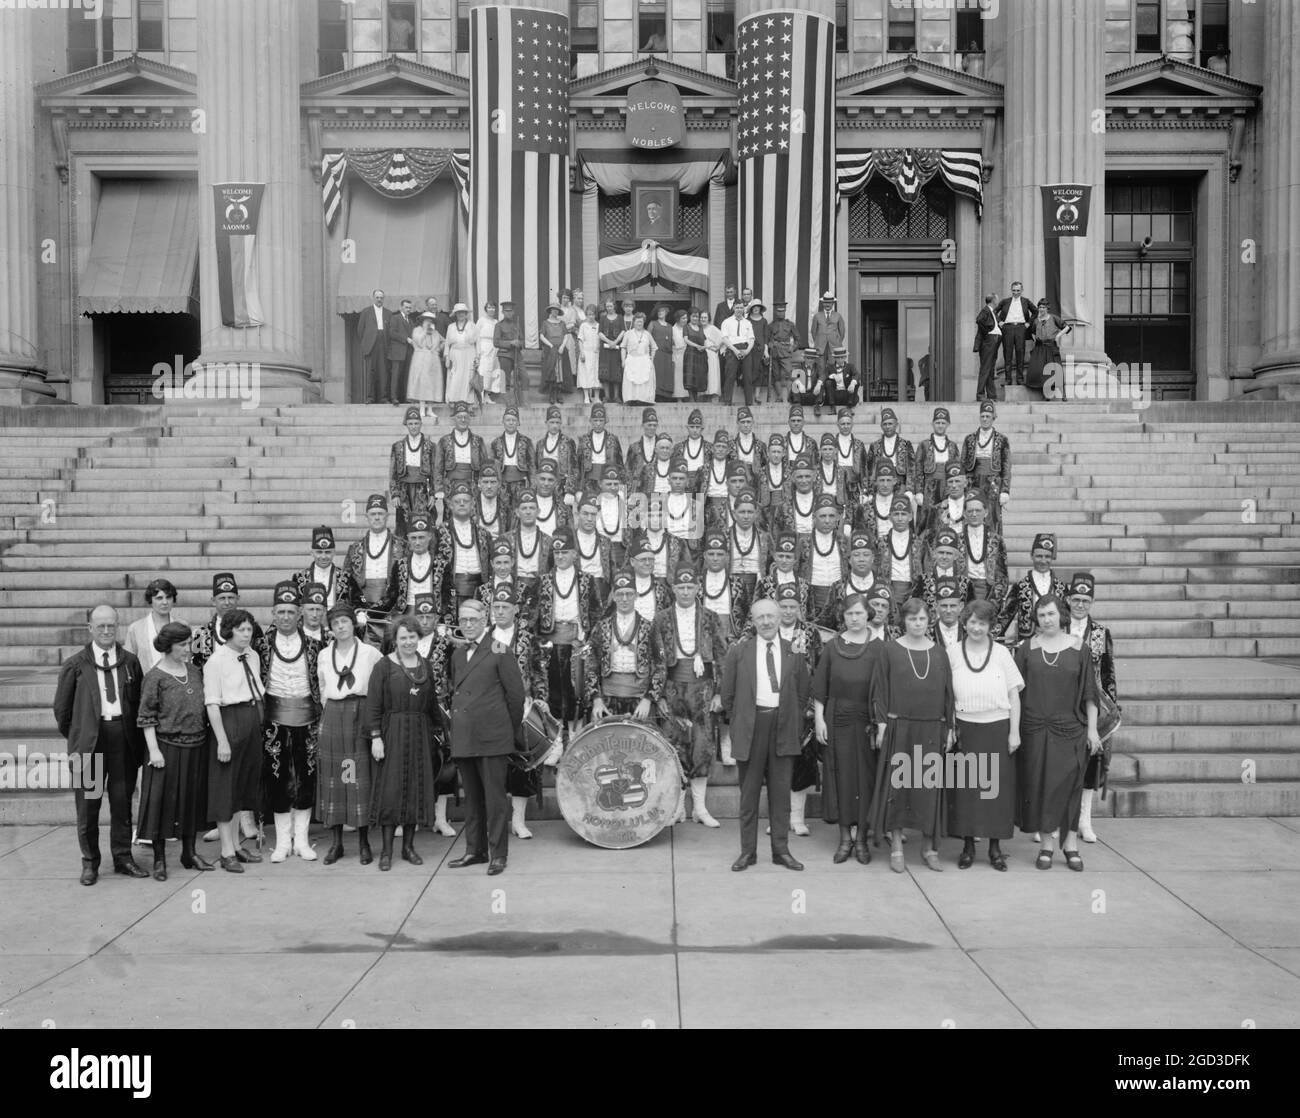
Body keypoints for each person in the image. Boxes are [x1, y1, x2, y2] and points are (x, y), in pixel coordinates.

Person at [53, 604, 149, 885]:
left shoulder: (130, 661)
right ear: (90, 629)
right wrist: (81, 736)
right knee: (89, 805)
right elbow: (62, 711)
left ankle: (122, 857)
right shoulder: (76, 664)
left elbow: (138, 702)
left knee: (121, 802)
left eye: (111, 625)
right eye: (101, 626)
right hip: (91, 744)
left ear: (117, 627)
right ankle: (90, 862)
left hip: (122, 738)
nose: (106, 631)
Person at [722, 598, 811, 872]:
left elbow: (802, 692)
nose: (767, 621)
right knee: (748, 795)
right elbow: (728, 696)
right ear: (753, 620)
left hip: (783, 728)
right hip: (751, 728)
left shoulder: (793, 651)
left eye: (771, 616)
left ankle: (781, 851)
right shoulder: (739, 652)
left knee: (781, 794)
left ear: (779, 618)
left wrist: (793, 725)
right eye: (760, 617)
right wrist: (741, 724)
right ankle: (747, 852)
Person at [1014, 595, 1102, 871]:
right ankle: (1047, 845)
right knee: (1041, 787)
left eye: (1051, 614)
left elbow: (1090, 694)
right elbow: (1015, 692)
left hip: (1070, 730)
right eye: (1041, 616)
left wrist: (1092, 730)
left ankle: (1071, 843)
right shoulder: (1026, 649)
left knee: (1069, 787)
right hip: (1035, 729)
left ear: (1061, 615)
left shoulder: (1079, 649)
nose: (1046, 620)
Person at [870, 598, 955, 873]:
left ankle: (929, 848)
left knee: (928, 790)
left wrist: (950, 727)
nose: (917, 624)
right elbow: (880, 689)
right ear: (903, 621)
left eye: (921, 619)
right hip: (900, 727)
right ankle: (896, 846)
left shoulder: (940, 653)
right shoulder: (890, 650)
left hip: (932, 727)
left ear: (928, 620)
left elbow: (948, 694)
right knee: (899, 789)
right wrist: (882, 725)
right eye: (911, 619)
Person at [446, 599, 525, 876]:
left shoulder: (499, 650)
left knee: (495, 800)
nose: (467, 625)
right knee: (472, 799)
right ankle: (475, 850)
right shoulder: (457, 655)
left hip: (493, 738)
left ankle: (498, 854)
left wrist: (504, 731)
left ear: (484, 620)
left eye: (473, 619)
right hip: (466, 738)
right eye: (463, 620)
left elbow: (516, 698)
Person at [946, 598, 1023, 871]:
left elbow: (1014, 693)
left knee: (995, 792)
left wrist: (1014, 732)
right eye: (972, 622)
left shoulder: (1002, 653)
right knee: (967, 791)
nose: (977, 627)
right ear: (964, 623)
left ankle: (994, 848)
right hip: (965, 728)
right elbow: (945, 695)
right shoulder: (953, 652)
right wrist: (950, 729)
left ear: (990, 625)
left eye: (983, 622)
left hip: (997, 727)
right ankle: (967, 847)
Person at [366, 614, 442, 870]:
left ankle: (408, 848)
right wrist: (376, 737)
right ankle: (387, 851)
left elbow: (432, 704)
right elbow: (374, 705)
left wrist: (441, 730)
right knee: (392, 791)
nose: (408, 642)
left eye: (412, 637)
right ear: (395, 640)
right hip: (392, 732)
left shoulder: (426, 665)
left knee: (416, 790)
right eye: (403, 638)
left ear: (418, 638)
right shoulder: (384, 666)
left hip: (420, 733)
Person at [136, 621, 210, 879]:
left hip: (195, 746)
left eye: (188, 643)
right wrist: (154, 751)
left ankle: (189, 852)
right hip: (166, 748)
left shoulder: (194, 670)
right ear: (168, 647)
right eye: (182, 644)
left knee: (190, 800)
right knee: (161, 804)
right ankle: (159, 859)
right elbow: (146, 716)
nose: (187, 648)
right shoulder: (154, 677)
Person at [814, 593, 884, 865]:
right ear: (842, 617)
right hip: (837, 719)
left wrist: (880, 726)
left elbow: (883, 691)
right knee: (841, 779)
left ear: (868, 615)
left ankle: (863, 839)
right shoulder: (832, 647)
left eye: (859, 613)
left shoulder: (879, 648)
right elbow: (821, 687)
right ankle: (845, 838)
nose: (854, 618)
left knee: (865, 780)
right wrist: (819, 719)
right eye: (849, 614)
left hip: (866, 722)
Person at [255, 582, 322, 864]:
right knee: (277, 778)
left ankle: (303, 840)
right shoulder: (260, 646)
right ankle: (282, 842)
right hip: (274, 719)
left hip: (307, 718)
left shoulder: (317, 646)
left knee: (306, 777)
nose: (285, 617)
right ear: (272, 612)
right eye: (280, 611)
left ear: (300, 614)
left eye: (291, 611)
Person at [656, 565, 727, 828]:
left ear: (698, 588)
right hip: (673, 685)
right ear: (673, 589)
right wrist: (659, 695)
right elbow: (656, 658)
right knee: (675, 744)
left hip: (703, 687)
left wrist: (720, 692)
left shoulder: (710, 616)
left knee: (702, 746)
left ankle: (699, 807)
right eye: (681, 587)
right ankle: (677, 808)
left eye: (690, 587)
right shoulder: (662, 618)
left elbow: (722, 655)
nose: (685, 592)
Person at [316, 605, 382, 865]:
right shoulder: (323, 654)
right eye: (335, 624)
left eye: (344, 622)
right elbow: (322, 687)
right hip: (333, 715)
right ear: (330, 628)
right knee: (336, 780)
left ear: (354, 624)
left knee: (356, 778)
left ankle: (364, 842)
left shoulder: (370, 653)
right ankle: (337, 843)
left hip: (360, 714)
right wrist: (333, 709)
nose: (340, 627)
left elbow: (378, 689)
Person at [202, 608, 265, 873]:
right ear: (228, 631)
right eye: (240, 629)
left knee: (241, 787)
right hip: (228, 721)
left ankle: (237, 846)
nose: (246, 634)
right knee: (225, 790)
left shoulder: (253, 656)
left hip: (251, 719)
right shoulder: (216, 661)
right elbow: (212, 704)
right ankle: (226, 850)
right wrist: (223, 741)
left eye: (249, 629)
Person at [485, 582, 547, 840]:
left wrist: (541, 700)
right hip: (489, 708)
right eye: (496, 607)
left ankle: (518, 821)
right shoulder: (483, 637)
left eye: (505, 607)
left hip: (520, 707)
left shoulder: (527, 638)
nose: (500, 612)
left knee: (523, 763)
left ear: (516, 609)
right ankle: (496, 820)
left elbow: (538, 672)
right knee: (494, 764)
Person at [1065, 572, 1119, 844]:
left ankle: (1084, 820)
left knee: (1090, 765)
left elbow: (1108, 675)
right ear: (1068, 599)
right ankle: (1055, 820)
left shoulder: (1099, 633)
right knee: (1061, 765)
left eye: (1086, 600)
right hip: (1061, 706)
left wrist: (1109, 711)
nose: (1080, 605)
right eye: (1076, 599)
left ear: (1092, 602)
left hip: (1091, 707)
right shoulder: (1057, 627)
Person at [586, 569, 666, 721]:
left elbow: (661, 666)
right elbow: (591, 664)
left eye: (629, 594)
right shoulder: (601, 627)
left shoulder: (649, 627)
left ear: (636, 595)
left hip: (640, 701)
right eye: (620, 594)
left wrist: (649, 699)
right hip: (607, 700)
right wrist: (596, 699)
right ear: (613, 597)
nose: (624, 599)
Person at [343, 495, 406, 646]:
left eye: (380, 514)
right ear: (367, 517)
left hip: (392, 607)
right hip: (363, 607)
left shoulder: (402, 546)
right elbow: (346, 580)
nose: (377, 518)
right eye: (373, 514)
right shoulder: (355, 548)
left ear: (387, 516)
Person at [999, 532, 1066, 643]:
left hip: (1055, 641)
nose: (1043, 561)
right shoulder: (1020, 586)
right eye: (1039, 556)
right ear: (1032, 556)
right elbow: (1006, 615)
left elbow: (1067, 618)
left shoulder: (1061, 587)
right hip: (1028, 641)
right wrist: (989, 635)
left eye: (1047, 556)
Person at [961, 400, 1012, 534]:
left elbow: (1006, 466)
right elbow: (962, 464)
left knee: (992, 516)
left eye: (988, 416)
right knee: (973, 512)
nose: (985, 419)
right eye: (982, 416)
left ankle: (993, 548)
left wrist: (1005, 489)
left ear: (993, 418)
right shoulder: (969, 439)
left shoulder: (1002, 439)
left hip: (993, 481)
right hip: (973, 481)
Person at [433, 401, 489, 515]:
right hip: (450, 484)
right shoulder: (444, 441)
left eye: (465, 417)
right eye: (459, 417)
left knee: (472, 515)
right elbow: (438, 467)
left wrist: (482, 485)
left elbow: (484, 465)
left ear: (469, 419)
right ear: (454, 418)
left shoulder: (478, 440)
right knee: (450, 516)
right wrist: (439, 488)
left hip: (472, 483)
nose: (463, 420)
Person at [390, 407, 436, 539]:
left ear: (421, 424)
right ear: (406, 425)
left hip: (422, 488)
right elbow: (392, 472)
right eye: (410, 423)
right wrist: (394, 494)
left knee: (422, 521)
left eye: (416, 423)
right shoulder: (398, 446)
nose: (414, 427)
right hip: (404, 487)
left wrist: (433, 494)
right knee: (403, 523)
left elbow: (434, 471)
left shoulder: (430, 446)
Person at [123, 578, 183, 675]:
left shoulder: (181, 627)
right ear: (150, 600)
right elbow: (128, 663)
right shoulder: (135, 629)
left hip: (176, 685)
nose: (165, 602)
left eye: (168, 597)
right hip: (145, 685)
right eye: (159, 598)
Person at [292, 527, 346, 610]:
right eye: (319, 552)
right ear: (312, 553)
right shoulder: (299, 577)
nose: (323, 557)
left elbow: (359, 603)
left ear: (334, 552)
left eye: (327, 552)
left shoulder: (346, 577)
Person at [995, 280, 1035, 388]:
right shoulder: (1005, 301)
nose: (1015, 293)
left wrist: (1029, 323)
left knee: (1020, 352)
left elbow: (1035, 312)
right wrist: (999, 322)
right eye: (1013, 290)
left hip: (1021, 328)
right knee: (1007, 353)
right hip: (1007, 328)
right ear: (1011, 290)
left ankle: (1020, 379)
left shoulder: (1026, 301)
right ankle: (1008, 379)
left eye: (1018, 290)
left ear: (1022, 290)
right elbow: (994, 311)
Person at [491, 404, 534, 503]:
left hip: (521, 482)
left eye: (513, 420)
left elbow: (532, 465)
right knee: (503, 511)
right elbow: (493, 465)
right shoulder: (495, 442)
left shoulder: (526, 441)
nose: (511, 423)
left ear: (518, 422)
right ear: (503, 422)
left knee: (518, 511)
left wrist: (532, 486)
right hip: (503, 482)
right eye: (508, 420)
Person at [357, 289, 393, 404]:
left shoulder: (388, 313)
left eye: (381, 297)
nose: (379, 300)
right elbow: (360, 330)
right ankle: (369, 397)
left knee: (383, 372)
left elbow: (391, 331)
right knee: (370, 372)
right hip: (371, 345)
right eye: (377, 297)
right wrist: (366, 343)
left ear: (384, 299)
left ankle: (383, 397)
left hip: (384, 344)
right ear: (373, 298)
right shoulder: (366, 312)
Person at [1027, 298, 1072, 390]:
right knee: (1040, 369)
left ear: (1047, 308)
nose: (1041, 309)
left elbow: (1067, 327)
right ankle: (1044, 390)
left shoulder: (1053, 318)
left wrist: (1058, 336)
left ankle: (1062, 392)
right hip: (1039, 348)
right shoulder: (1036, 320)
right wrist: (1035, 339)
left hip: (1051, 346)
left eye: (1043, 307)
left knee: (1055, 368)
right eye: (1040, 307)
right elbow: (1031, 331)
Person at [443, 303, 479, 410]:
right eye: (458, 312)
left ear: (466, 313)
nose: (461, 314)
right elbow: (447, 343)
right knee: (455, 377)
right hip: (455, 355)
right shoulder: (451, 327)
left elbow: (479, 342)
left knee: (468, 377)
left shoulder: (473, 326)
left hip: (469, 354)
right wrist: (446, 357)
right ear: (455, 314)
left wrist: (477, 357)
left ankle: (469, 404)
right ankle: (454, 401)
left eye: (463, 312)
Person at [808, 292, 846, 388]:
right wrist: (819, 341)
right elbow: (813, 332)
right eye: (825, 303)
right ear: (823, 303)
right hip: (820, 348)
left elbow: (842, 332)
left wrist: (836, 342)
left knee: (833, 368)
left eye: (830, 303)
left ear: (833, 304)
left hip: (834, 348)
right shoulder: (817, 316)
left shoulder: (838, 316)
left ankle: (832, 391)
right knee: (820, 369)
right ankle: (821, 392)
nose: (827, 305)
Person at [719, 302, 753, 405]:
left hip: (745, 349)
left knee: (747, 376)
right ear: (734, 308)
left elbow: (751, 339)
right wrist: (735, 350)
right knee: (730, 375)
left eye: (741, 308)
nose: (739, 310)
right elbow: (724, 338)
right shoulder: (727, 322)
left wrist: (747, 351)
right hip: (732, 349)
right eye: (737, 307)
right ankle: (727, 401)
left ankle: (749, 402)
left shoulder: (747, 323)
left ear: (744, 309)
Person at [621, 311, 656, 407]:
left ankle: (643, 399)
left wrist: (651, 360)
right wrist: (623, 361)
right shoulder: (628, 333)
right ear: (634, 322)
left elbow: (654, 347)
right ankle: (631, 399)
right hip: (632, 360)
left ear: (644, 322)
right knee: (631, 380)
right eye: (637, 321)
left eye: (641, 321)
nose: (639, 323)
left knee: (643, 381)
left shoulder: (647, 334)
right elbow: (623, 347)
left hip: (644, 361)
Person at [386, 297, 416, 407]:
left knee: (406, 375)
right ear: (401, 308)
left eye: (410, 308)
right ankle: (394, 397)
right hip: (397, 352)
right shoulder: (395, 318)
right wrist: (406, 339)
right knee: (396, 375)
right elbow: (392, 333)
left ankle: (405, 397)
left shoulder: (411, 321)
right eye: (406, 307)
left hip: (408, 352)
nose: (408, 309)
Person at [494, 300, 525, 406]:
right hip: (505, 355)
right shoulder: (499, 325)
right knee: (504, 379)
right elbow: (496, 342)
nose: (508, 313)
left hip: (517, 355)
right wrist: (511, 343)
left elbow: (522, 340)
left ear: (513, 312)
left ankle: (521, 400)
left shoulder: (517, 324)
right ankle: (506, 401)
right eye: (506, 311)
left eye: (510, 311)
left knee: (524, 376)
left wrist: (519, 343)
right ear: (502, 312)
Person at [973, 293, 1001, 402]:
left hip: (994, 341)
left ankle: (991, 395)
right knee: (985, 368)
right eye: (997, 299)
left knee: (990, 369)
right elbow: (979, 320)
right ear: (993, 300)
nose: (998, 301)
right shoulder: (985, 310)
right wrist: (988, 332)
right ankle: (980, 395)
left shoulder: (992, 311)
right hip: (989, 341)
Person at [539, 301, 567, 405]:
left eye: (557, 310)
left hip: (560, 350)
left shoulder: (562, 323)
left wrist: (563, 346)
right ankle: (551, 394)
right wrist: (550, 345)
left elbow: (566, 335)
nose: (555, 311)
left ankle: (559, 393)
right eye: (553, 309)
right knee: (551, 372)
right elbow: (541, 336)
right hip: (550, 351)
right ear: (550, 310)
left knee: (560, 372)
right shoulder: (545, 323)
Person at [597, 298, 624, 404]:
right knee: (606, 372)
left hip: (616, 349)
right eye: (607, 306)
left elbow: (623, 331)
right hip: (605, 349)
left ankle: (616, 396)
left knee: (616, 372)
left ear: (614, 306)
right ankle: (607, 397)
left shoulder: (620, 318)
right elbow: (600, 333)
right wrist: (609, 341)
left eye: (610, 306)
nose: (609, 308)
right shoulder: (603, 318)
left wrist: (615, 342)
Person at [475, 300, 501, 404]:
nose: (491, 309)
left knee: (492, 371)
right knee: (483, 371)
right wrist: (478, 351)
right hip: (483, 347)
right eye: (489, 307)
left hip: (494, 348)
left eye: (493, 307)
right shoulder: (481, 320)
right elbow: (476, 335)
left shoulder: (496, 322)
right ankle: (479, 396)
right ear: (486, 309)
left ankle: (487, 395)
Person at [649, 303, 675, 402]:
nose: (660, 313)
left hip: (667, 354)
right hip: (657, 353)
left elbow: (673, 340)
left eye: (662, 311)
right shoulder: (653, 323)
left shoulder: (670, 326)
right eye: (659, 312)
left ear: (666, 313)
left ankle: (666, 396)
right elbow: (648, 338)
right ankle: (656, 396)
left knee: (666, 375)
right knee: (657, 374)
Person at [577, 302, 602, 404]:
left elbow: (600, 339)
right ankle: (586, 397)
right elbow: (580, 340)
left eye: (592, 314)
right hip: (586, 353)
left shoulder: (599, 325)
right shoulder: (583, 325)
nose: (591, 316)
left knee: (596, 374)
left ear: (595, 314)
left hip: (596, 353)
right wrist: (582, 353)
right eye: (589, 314)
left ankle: (596, 397)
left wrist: (598, 346)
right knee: (585, 373)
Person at [700, 309, 723, 401]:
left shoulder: (713, 328)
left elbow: (723, 338)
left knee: (712, 374)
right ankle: (704, 395)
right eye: (701, 317)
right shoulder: (698, 328)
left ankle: (714, 396)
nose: (703, 319)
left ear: (709, 318)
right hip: (701, 354)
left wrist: (717, 347)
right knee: (704, 375)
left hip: (711, 354)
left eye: (705, 317)